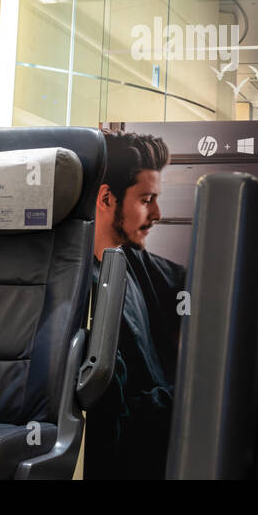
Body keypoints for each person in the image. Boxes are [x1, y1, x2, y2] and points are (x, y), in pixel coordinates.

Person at [84, 130, 186, 479]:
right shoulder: (83, 292)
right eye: (146, 199)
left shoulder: (133, 262)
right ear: (107, 198)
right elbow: (114, 414)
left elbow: (190, 283)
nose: (157, 213)